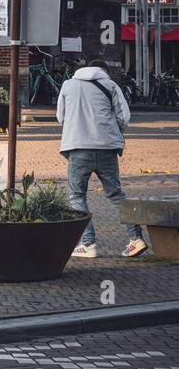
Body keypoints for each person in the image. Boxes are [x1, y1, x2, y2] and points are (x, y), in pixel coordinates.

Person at [57, 58, 147, 259]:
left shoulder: (68, 85)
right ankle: (136, 239)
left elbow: (60, 117)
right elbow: (124, 117)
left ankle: (88, 244)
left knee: (77, 196)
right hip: (107, 147)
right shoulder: (111, 85)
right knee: (115, 194)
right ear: (104, 71)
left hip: (77, 147)